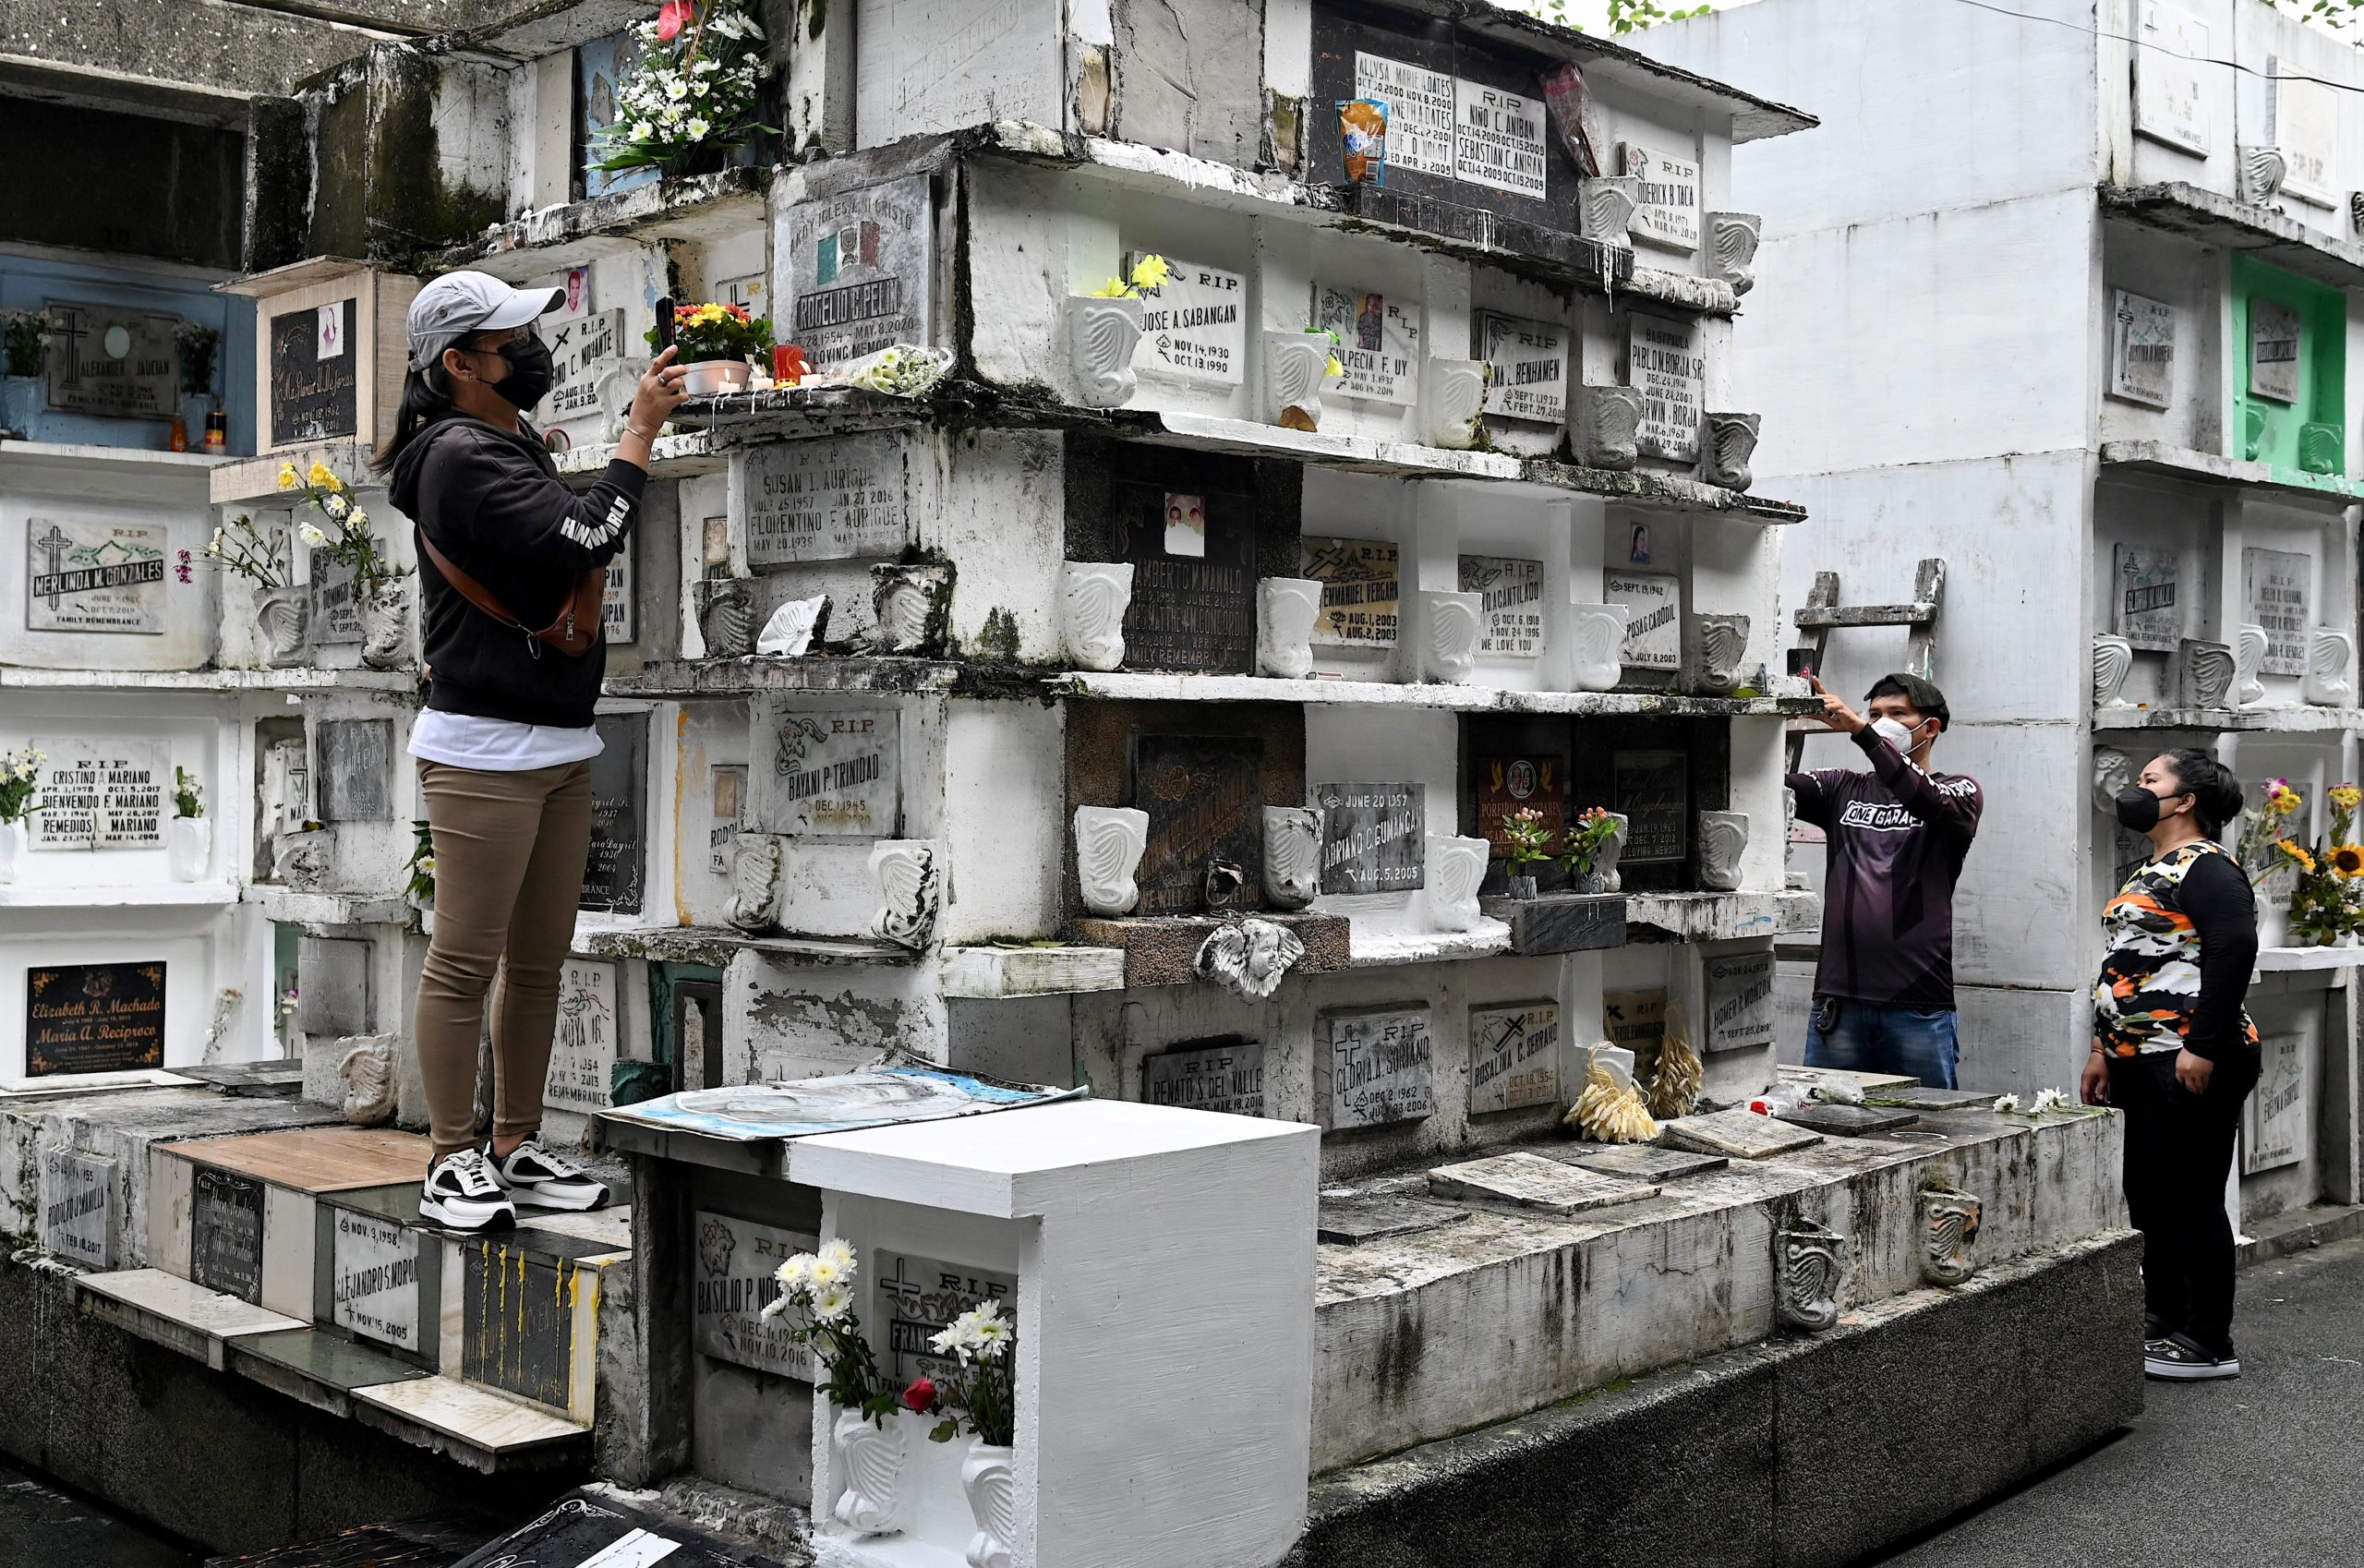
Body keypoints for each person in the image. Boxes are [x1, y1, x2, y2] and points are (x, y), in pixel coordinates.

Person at [374, 271, 689, 1232]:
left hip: (557, 736)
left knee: (543, 960)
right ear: (458, 364)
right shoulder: (457, 456)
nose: (531, 349)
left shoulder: (505, 439)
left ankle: (514, 1143)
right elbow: (588, 535)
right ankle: (449, 1157)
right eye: (509, 337)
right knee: (465, 961)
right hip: (484, 748)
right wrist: (637, 431)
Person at [2081, 749, 2260, 1381]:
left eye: (2150, 780)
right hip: (2138, 1056)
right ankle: (2164, 1316)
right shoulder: (2149, 870)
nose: (2137, 789)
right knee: (2151, 1195)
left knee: (2192, 1196)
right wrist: (2104, 1049)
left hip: (2191, 1057)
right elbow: (2124, 963)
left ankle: (2209, 1340)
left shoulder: (2209, 869)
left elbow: (2235, 951)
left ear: (2185, 801)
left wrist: (2203, 1046)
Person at [1787, 671, 1984, 1087]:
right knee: (1829, 1134)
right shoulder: (1841, 786)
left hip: (1917, 1006)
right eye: (1874, 714)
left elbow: (1923, 796)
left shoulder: (1959, 791)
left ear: (1930, 728)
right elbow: (1769, 784)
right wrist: (1780, 712)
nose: (1880, 722)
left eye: (1897, 713)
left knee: (1929, 1131)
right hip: (1838, 1005)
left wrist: (1861, 732)